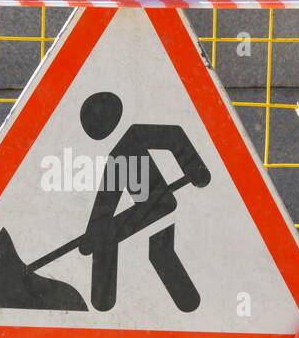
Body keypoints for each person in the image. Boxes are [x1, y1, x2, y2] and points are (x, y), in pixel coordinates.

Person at [76, 91, 210, 312]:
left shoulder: (134, 136)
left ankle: (188, 303)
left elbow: (174, 137)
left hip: (159, 203)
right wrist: (92, 234)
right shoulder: (116, 157)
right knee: (114, 239)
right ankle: (102, 304)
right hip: (149, 208)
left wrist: (196, 170)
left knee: (157, 252)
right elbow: (106, 201)